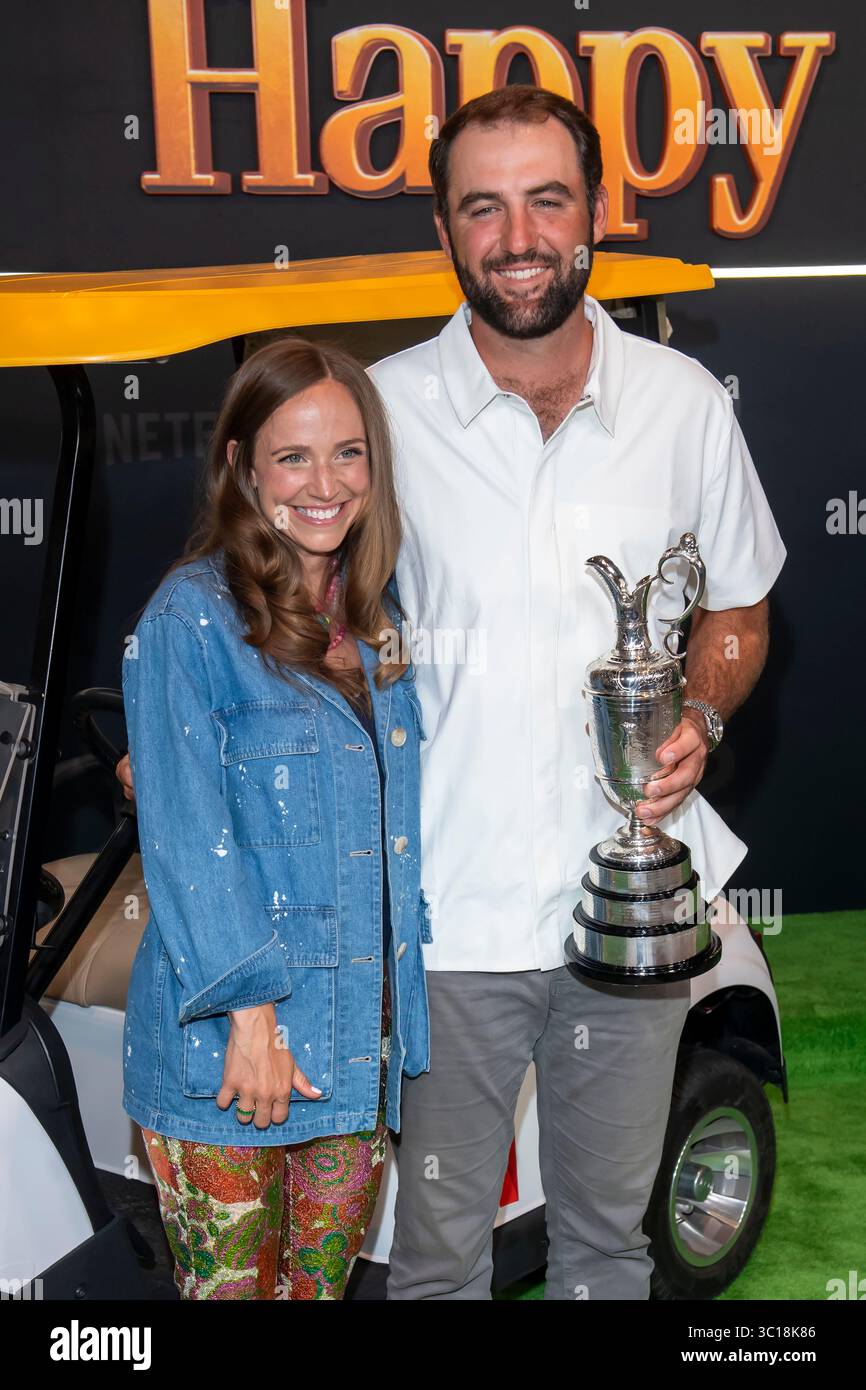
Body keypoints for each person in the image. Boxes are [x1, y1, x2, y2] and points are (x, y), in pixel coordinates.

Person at [119, 84, 787, 1301]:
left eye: (546, 199)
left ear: (593, 213)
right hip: (437, 925)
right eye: (483, 206)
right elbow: (284, 603)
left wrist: (700, 710)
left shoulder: (683, 407)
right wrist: (183, 749)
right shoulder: (377, 418)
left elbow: (738, 610)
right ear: (443, 227)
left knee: (606, 1247)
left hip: (627, 913)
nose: (517, 235)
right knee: (432, 1265)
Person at [120, 337, 430, 1300]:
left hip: (351, 1050)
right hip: (230, 1053)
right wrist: (252, 1022)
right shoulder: (188, 620)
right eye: (292, 456)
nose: (323, 482)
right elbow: (184, 836)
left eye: (347, 452)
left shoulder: (380, 626)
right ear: (242, 469)